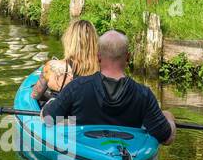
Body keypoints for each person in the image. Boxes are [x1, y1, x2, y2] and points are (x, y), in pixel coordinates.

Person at [41, 30, 176, 144]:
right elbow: (167, 138)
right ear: (128, 57)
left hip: (87, 152)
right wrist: (168, 117)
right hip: (127, 151)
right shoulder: (144, 95)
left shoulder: (77, 87)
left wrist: (52, 102)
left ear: (98, 57)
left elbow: (48, 119)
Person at [31, 19, 99, 105]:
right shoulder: (103, 67)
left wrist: (49, 95)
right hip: (89, 115)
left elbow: (35, 95)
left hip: (64, 117)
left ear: (69, 41)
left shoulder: (53, 67)